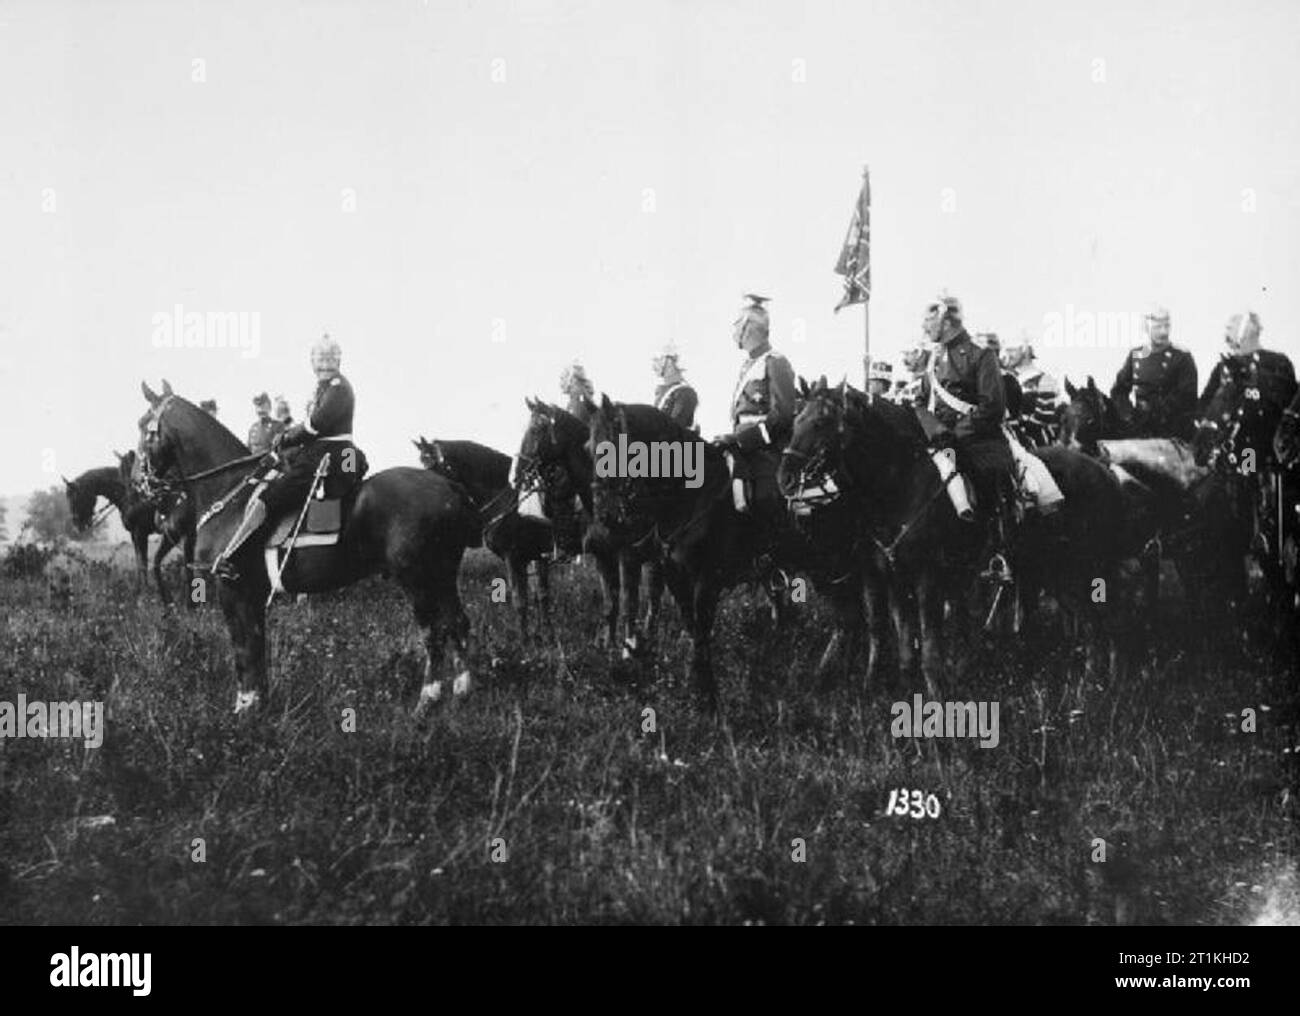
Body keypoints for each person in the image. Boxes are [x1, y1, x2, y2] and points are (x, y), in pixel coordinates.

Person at [212, 333, 367, 581]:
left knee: (267, 498)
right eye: (320, 360)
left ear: (338, 361)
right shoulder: (326, 387)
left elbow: (315, 426)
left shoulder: (338, 388)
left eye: (329, 359)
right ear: (312, 362)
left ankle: (233, 556)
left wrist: (286, 437)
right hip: (332, 453)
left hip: (327, 456)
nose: (324, 365)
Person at [917, 294, 1016, 582]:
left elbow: (993, 406)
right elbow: (921, 403)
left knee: (991, 480)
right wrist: (936, 432)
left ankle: (997, 552)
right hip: (940, 440)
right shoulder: (934, 359)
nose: (925, 327)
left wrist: (956, 434)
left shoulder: (981, 356)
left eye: (928, 320)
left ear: (946, 320)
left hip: (977, 439)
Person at [716, 294, 797, 532]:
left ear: (748, 328)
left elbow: (782, 415)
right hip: (743, 447)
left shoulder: (776, 362)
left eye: (737, 326)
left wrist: (740, 439)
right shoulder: (748, 365)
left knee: (763, 503)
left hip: (766, 452)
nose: (734, 334)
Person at [1110, 305, 1198, 441]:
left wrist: (1156, 412)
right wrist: (1128, 415)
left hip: (1170, 432)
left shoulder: (1181, 357)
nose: (1163, 332)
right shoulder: (1137, 354)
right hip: (1138, 429)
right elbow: (1119, 390)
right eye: (1157, 327)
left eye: (1167, 326)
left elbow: (1187, 397)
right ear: (1146, 327)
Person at [1198, 311, 1296, 417]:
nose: (1225, 335)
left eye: (1230, 328)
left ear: (1247, 330)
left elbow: (1289, 401)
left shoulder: (1278, 362)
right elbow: (1203, 406)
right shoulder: (1224, 367)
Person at [1000, 335, 1062, 445]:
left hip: (1035, 440)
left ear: (1025, 351)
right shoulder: (1005, 378)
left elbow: (1044, 417)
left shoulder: (1044, 379)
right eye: (1006, 350)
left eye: (1012, 350)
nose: (1007, 355)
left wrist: (1017, 423)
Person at [651, 341, 699, 430]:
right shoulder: (661, 391)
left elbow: (674, 427)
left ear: (669, 362)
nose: (653, 365)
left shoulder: (685, 393)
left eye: (657, 359)